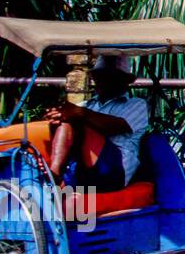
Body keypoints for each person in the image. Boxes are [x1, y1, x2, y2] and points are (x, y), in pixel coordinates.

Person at [44, 55, 148, 191]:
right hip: (84, 167)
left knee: (73, 122)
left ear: (124, 80)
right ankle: (54, 175)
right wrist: (57, 117)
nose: (103, 81)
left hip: (115, 171)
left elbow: (115, 126)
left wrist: (80, 114)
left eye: (111, 77)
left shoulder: (136, 104)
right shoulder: (86, 105)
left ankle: (55, 176)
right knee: (64, 123)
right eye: (100, 76)